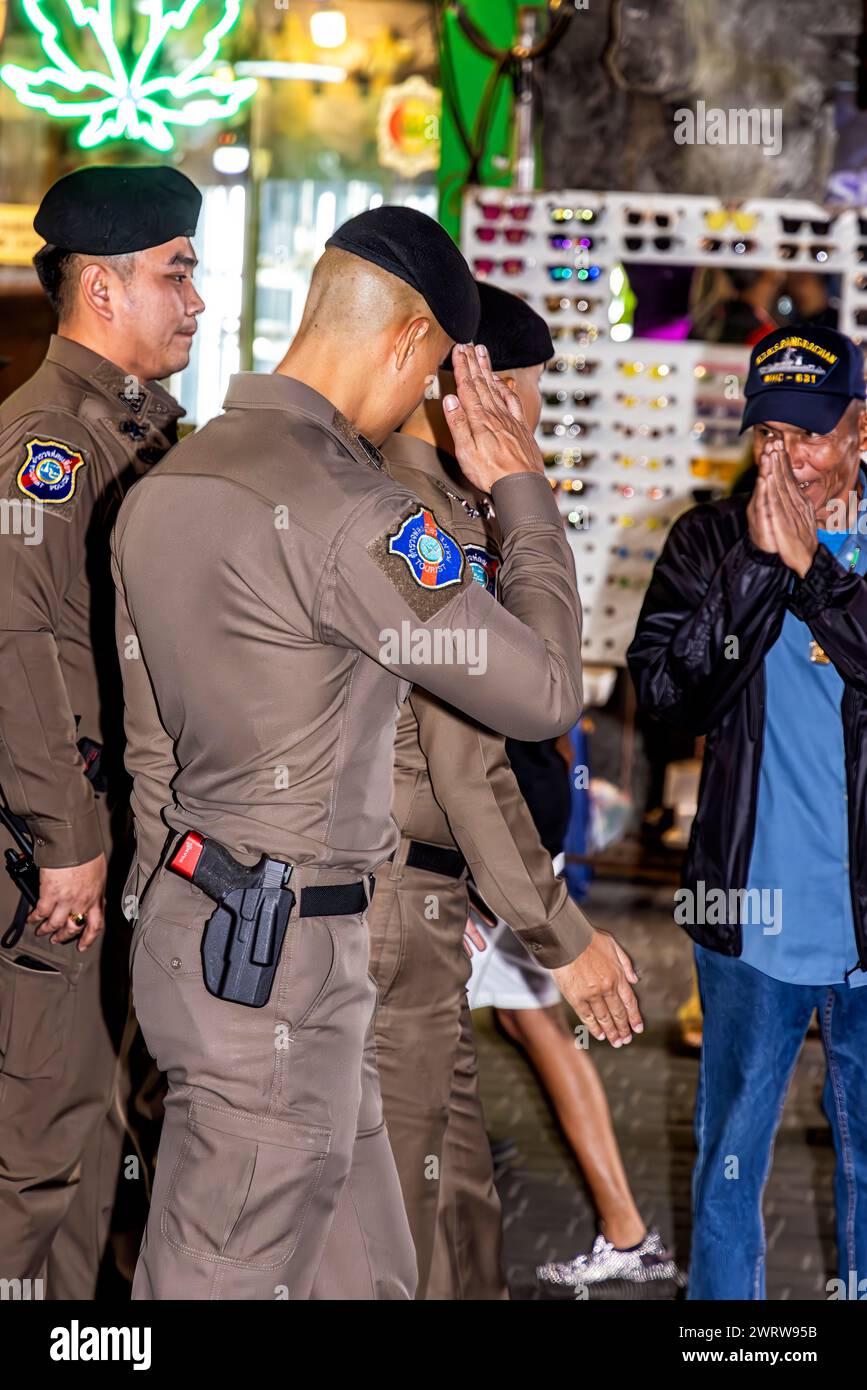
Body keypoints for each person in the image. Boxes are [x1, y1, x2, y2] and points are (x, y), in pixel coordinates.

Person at [111, 206, 623, 1301]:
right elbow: (538, 691)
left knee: (371, 1270)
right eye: (435, 369)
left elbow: (151, 753)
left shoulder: (171, 482)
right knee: (218, 1276)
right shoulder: (357, 512)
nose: (427, 402)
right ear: (406, 341)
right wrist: (518, 489)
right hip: (287, 960)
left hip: (209, 931)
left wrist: (179, 917)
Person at [368, 280, 644, 1300]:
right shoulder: (434, 520)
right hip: (432, 884)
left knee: (449, 1184)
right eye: (524, 387)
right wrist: (544, 921)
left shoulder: (455, 505)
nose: (529, 416)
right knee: (410, 1187)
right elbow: (521, 711)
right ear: (477, 385)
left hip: (459, 882)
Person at [628, 324, 867, 1300]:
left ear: (859, 427)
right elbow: (667, 701)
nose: (789, 459)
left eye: (810, 435)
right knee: (728, 1161)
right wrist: (761, 571)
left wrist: (818, 572)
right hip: (748, 917)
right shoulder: (708, 540)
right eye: (768, 434)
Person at [0, 164, 203, 1298]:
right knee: (44, 1152)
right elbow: (17, 646)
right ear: (102, 287)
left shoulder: (140, 427)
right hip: (57, 853)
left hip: (127, 844)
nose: (196, 298)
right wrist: (67, 834)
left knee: (103, 1138)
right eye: (176, 273)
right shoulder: (48, 439)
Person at [456, 731, 678, 1291]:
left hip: (487, 849)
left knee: (423, 1046)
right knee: (530, 1022)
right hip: (527, 832)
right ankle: (627, 1233)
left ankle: (443, 1257)